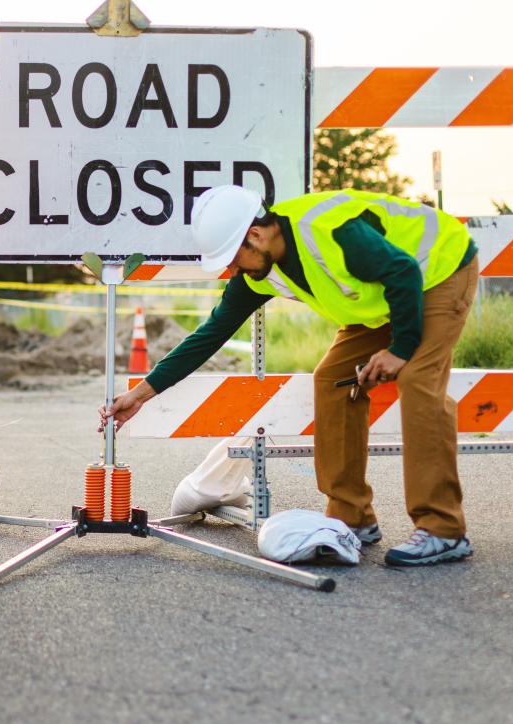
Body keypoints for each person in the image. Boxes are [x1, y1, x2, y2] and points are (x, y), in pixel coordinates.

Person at [100, 186, 480, 567]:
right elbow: (210, 335)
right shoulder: (258, 272)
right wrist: (142, 393)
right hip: (386, 296)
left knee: (418, 380)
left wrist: (401, 349)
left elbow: (402, 270)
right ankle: (351, 516)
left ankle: (442, 529)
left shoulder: (331, 232)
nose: (233, 270)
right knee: (332, 377)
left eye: (233, 259)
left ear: (255, 234)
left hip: (438, 271)